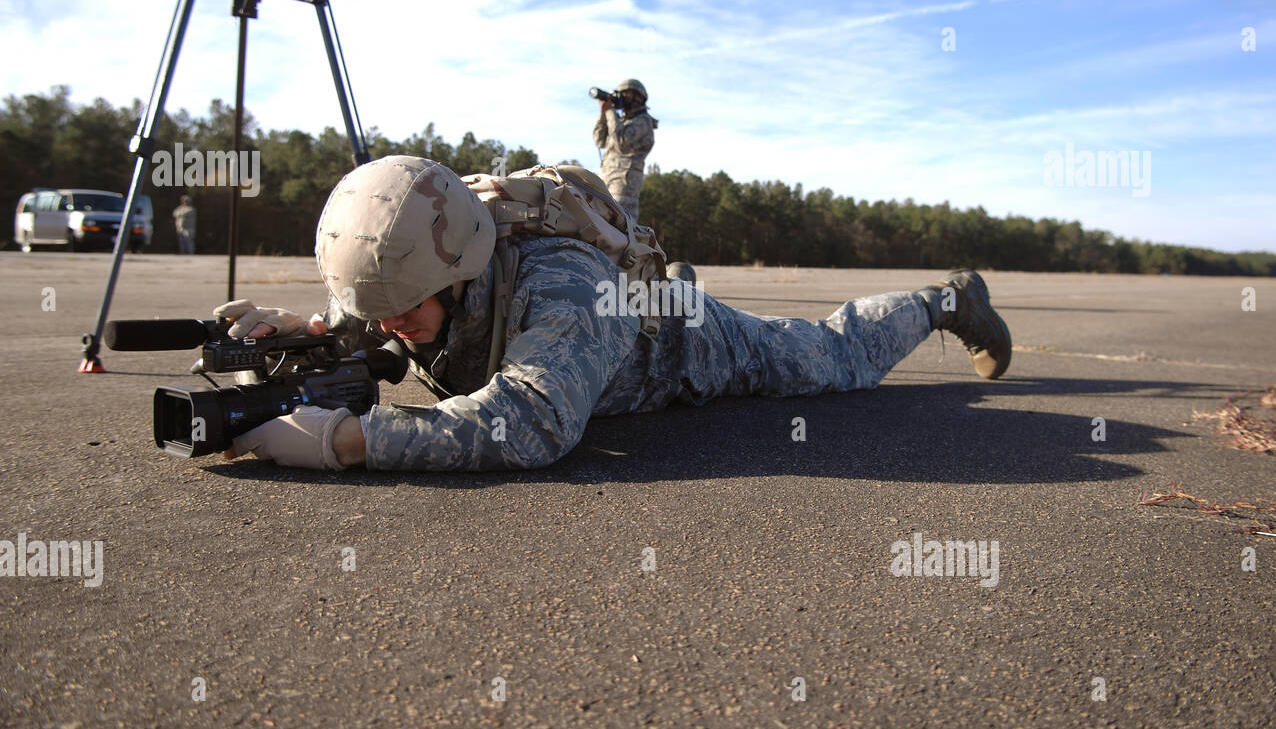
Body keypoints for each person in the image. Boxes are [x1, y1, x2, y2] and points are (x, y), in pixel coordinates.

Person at [219, 156, 1011, 472]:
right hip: (617, 319)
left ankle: (944, 300)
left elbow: (532, 421)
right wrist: (310, 334)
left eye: (400, 310)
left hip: (680, 344)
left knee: (827, 359)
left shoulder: (557, 284)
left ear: (457, 268)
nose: (390, 325)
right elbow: (383, 310)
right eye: (375, 311)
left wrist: (347, 441)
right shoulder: (426, 271)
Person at [592, 79, 657, 224]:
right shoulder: (619, 121)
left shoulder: (644, 122)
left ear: (639, 97)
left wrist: (610, 111)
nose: (623, 98)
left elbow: (621, 141)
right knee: (597, 225)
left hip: (624, 182)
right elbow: (599, 139)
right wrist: (604, 113)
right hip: (606, 178)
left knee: (620, 226)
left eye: (626, 94)